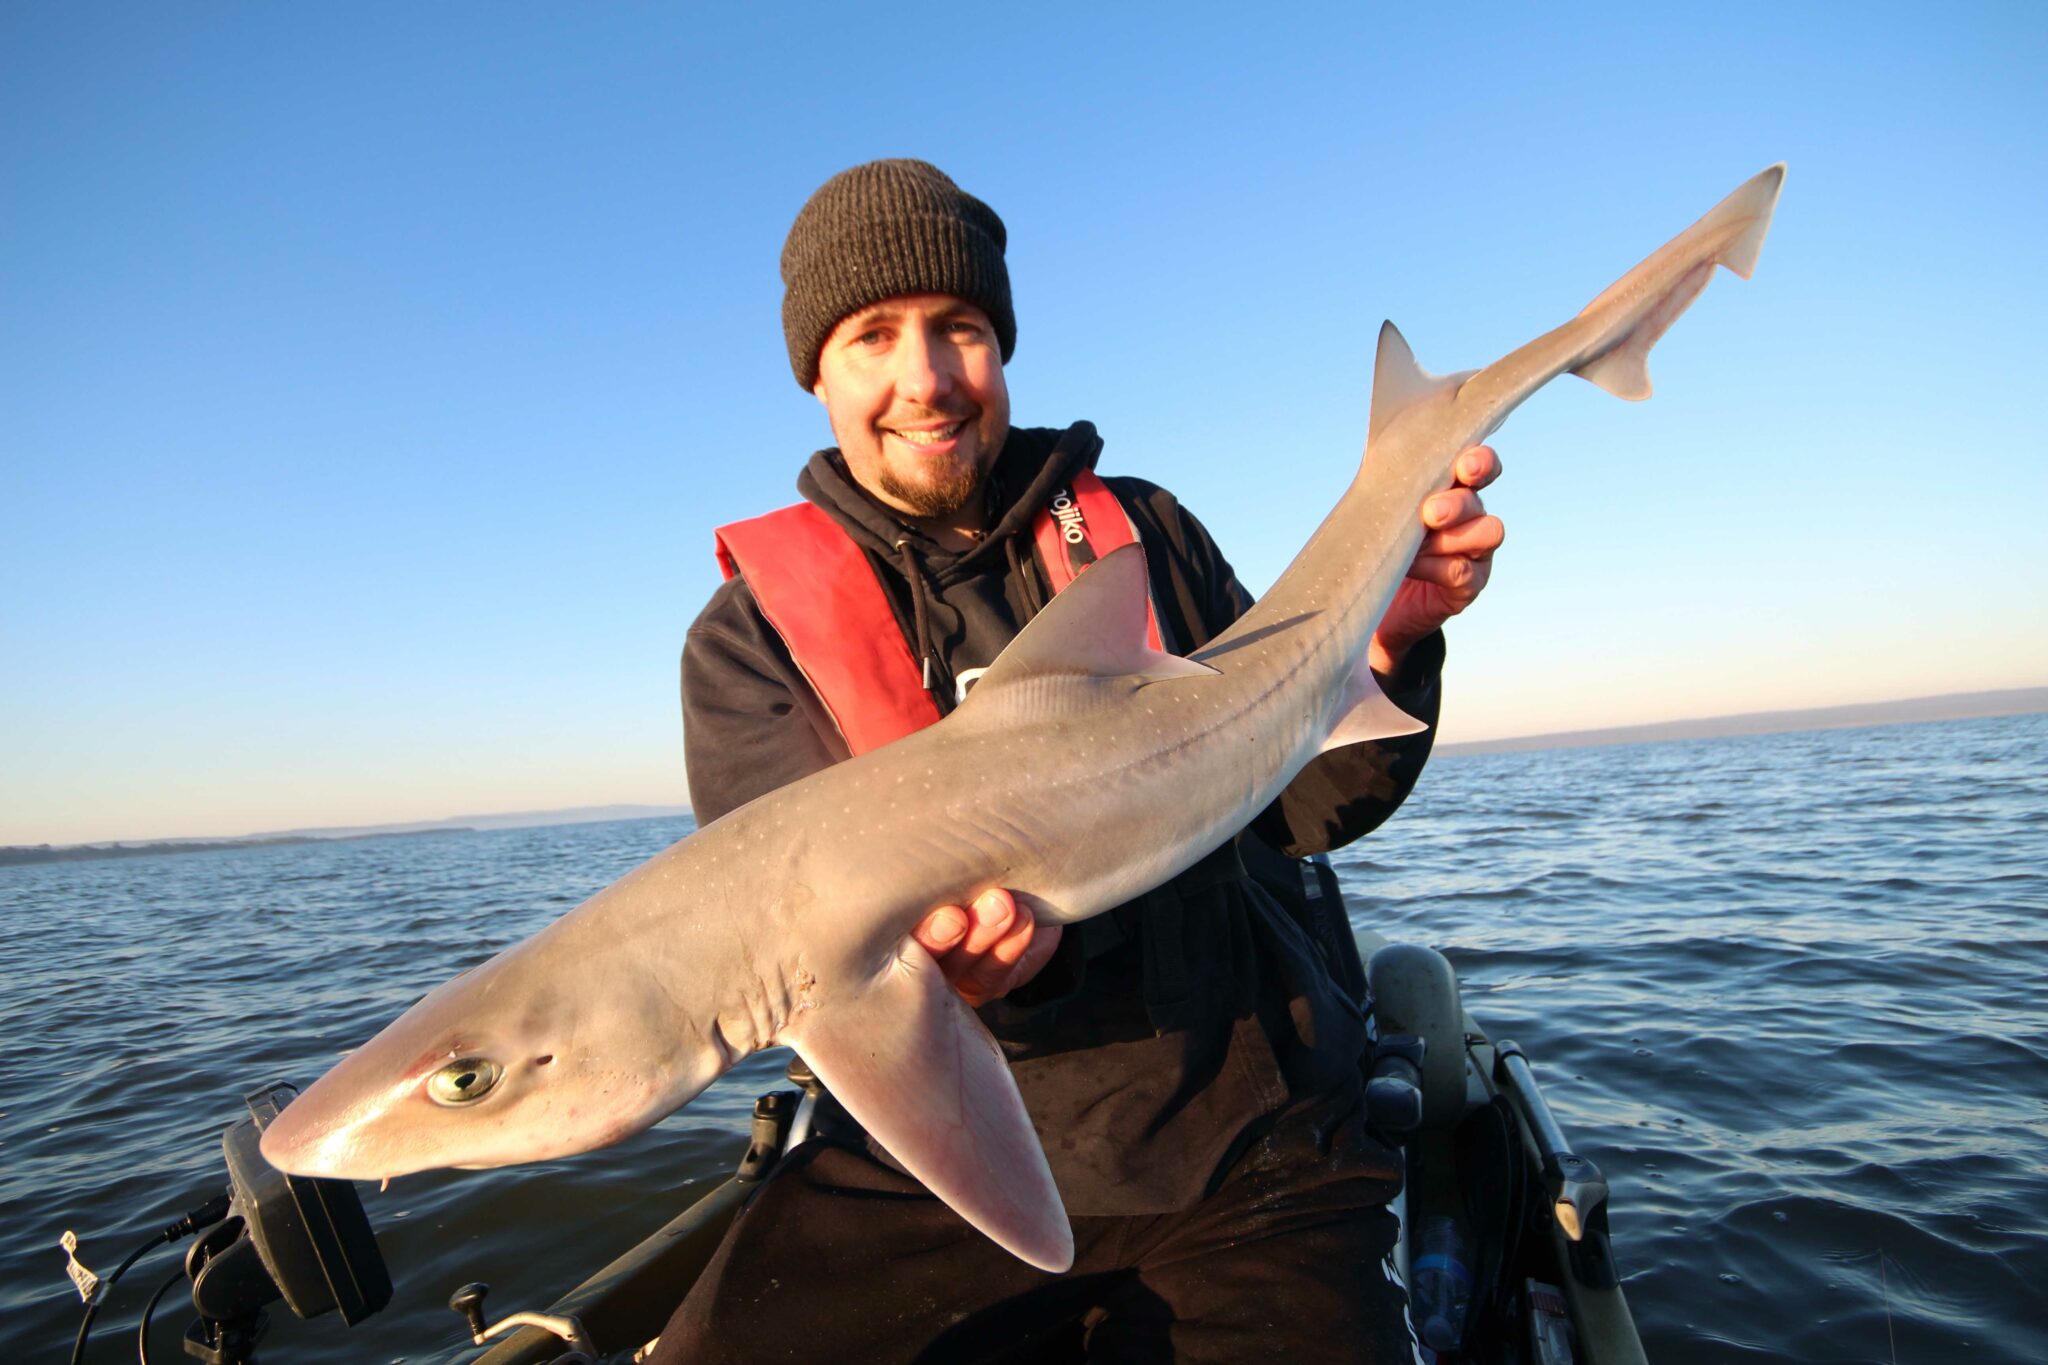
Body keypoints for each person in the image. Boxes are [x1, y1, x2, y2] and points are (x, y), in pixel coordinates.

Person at [651, 159, 1504, 1364]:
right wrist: (977, 980)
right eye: (870, 338)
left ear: (1001, 344)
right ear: (815, 373)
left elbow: (1308, 808)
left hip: (1250, 1125)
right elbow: (789, 952)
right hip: (944, 1153)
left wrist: (1398, 641)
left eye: (960, 329)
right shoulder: (751, 642)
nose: (925, 380)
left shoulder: (1140, 533)